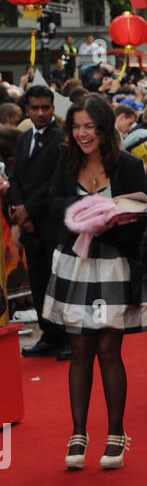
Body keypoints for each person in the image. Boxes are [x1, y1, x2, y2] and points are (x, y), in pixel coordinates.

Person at [41, 93, 147, 470]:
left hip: (114, 266)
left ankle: (116, 433)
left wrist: (111, 221)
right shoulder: (65, 160)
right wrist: (83, 215)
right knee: (79, 349)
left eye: (89, 127)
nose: (82, 134)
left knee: (108, 348)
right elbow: (54, 207)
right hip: (75, 265)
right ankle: (77, 432)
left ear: (104, 128)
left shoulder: (128, 166)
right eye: (75, 127)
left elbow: (142, 218)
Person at [7, 84, 70, 359]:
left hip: (52, 223)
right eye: (35, 108)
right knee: (39, 281)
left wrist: (27, 212)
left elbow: (54, 182)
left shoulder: (62, 139)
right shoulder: (22, 139)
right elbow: (15, 177)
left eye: (46, 107)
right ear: (27, 110)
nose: (41, 113)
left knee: (60, 282)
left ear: (53, 108)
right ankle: (49, 334)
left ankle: (68, 336)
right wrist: (19, 209)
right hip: (29, 225)